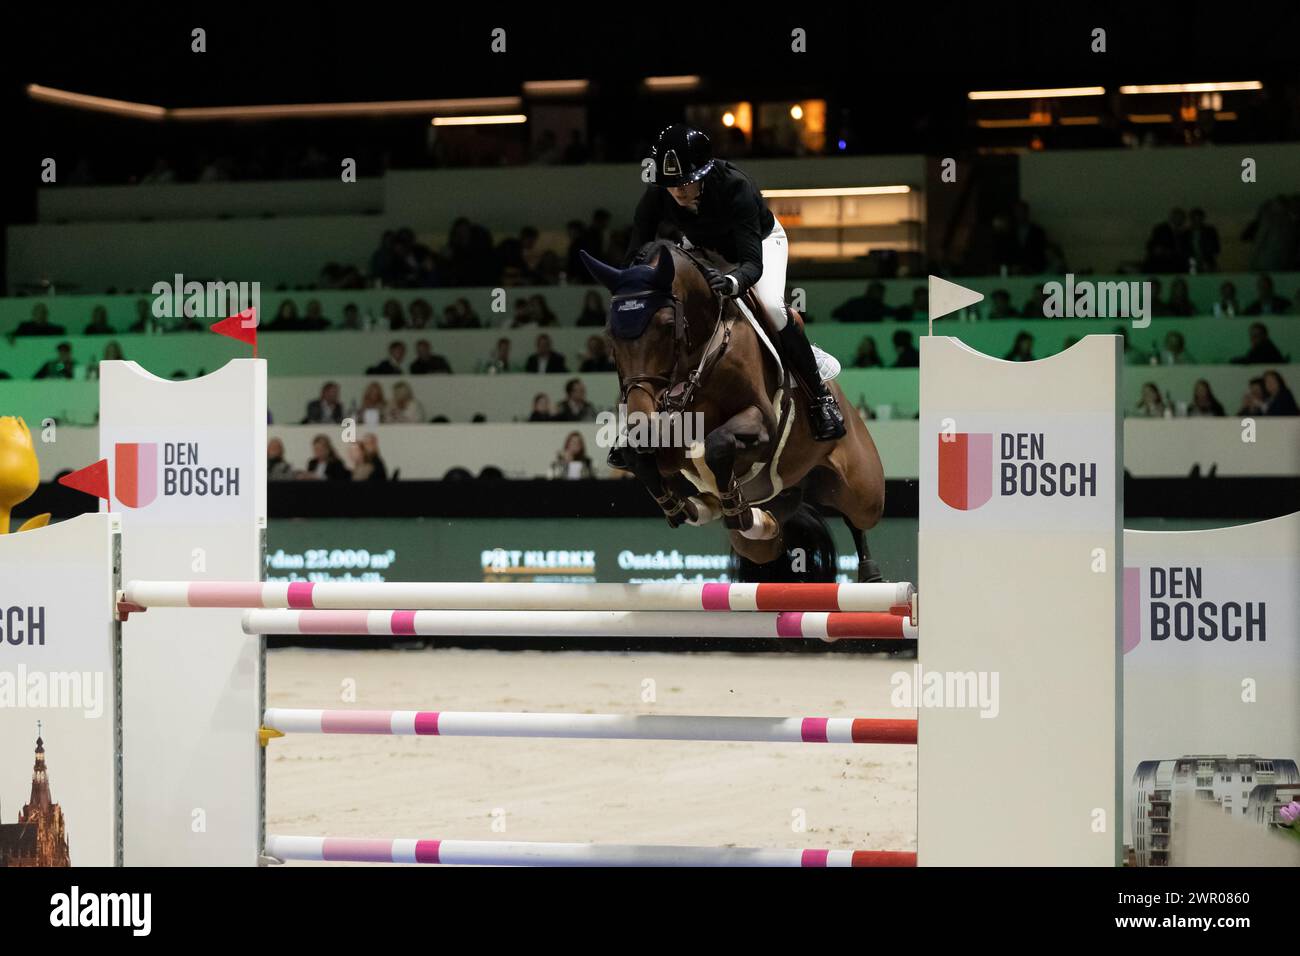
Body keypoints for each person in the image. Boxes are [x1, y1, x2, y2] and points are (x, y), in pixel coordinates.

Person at [621, 125, 845, 440]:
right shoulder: (660, 190)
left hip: (758, 246)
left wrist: (730, 282)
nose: (679, 192)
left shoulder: (737, 187)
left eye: (686, 182)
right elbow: (637, 247)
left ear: (704, 172)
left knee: (771, 307)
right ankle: (637, 422)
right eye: (672, 185)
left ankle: (820, 399)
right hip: (703, 248)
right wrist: (631, 285)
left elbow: (752, 264)